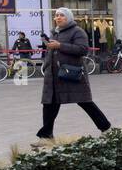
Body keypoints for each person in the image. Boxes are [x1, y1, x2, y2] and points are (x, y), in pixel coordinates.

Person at [37, 7, 111, 141]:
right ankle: (46, 137)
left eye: (61, 15)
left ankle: (106, 128)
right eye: (56, 15)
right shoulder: (55, 33)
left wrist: (60, 46)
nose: (58, 17)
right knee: (49, 105)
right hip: (54, 76)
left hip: (71, 74)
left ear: (69, 18)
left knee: (85, 102)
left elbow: (83, 50)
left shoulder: (77, 31)